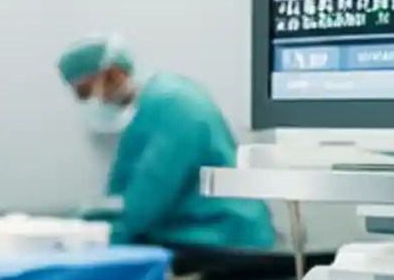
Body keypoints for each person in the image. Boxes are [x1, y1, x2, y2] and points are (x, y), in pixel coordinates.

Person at [57, 35, 275, 249]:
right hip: (196, 230)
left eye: (85, 92)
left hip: (224, 236)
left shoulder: (175, 106)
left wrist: (95, 242)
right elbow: (126, 188)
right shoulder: (151, 108)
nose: (87, 102)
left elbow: (151, 195)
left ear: (113, 74)